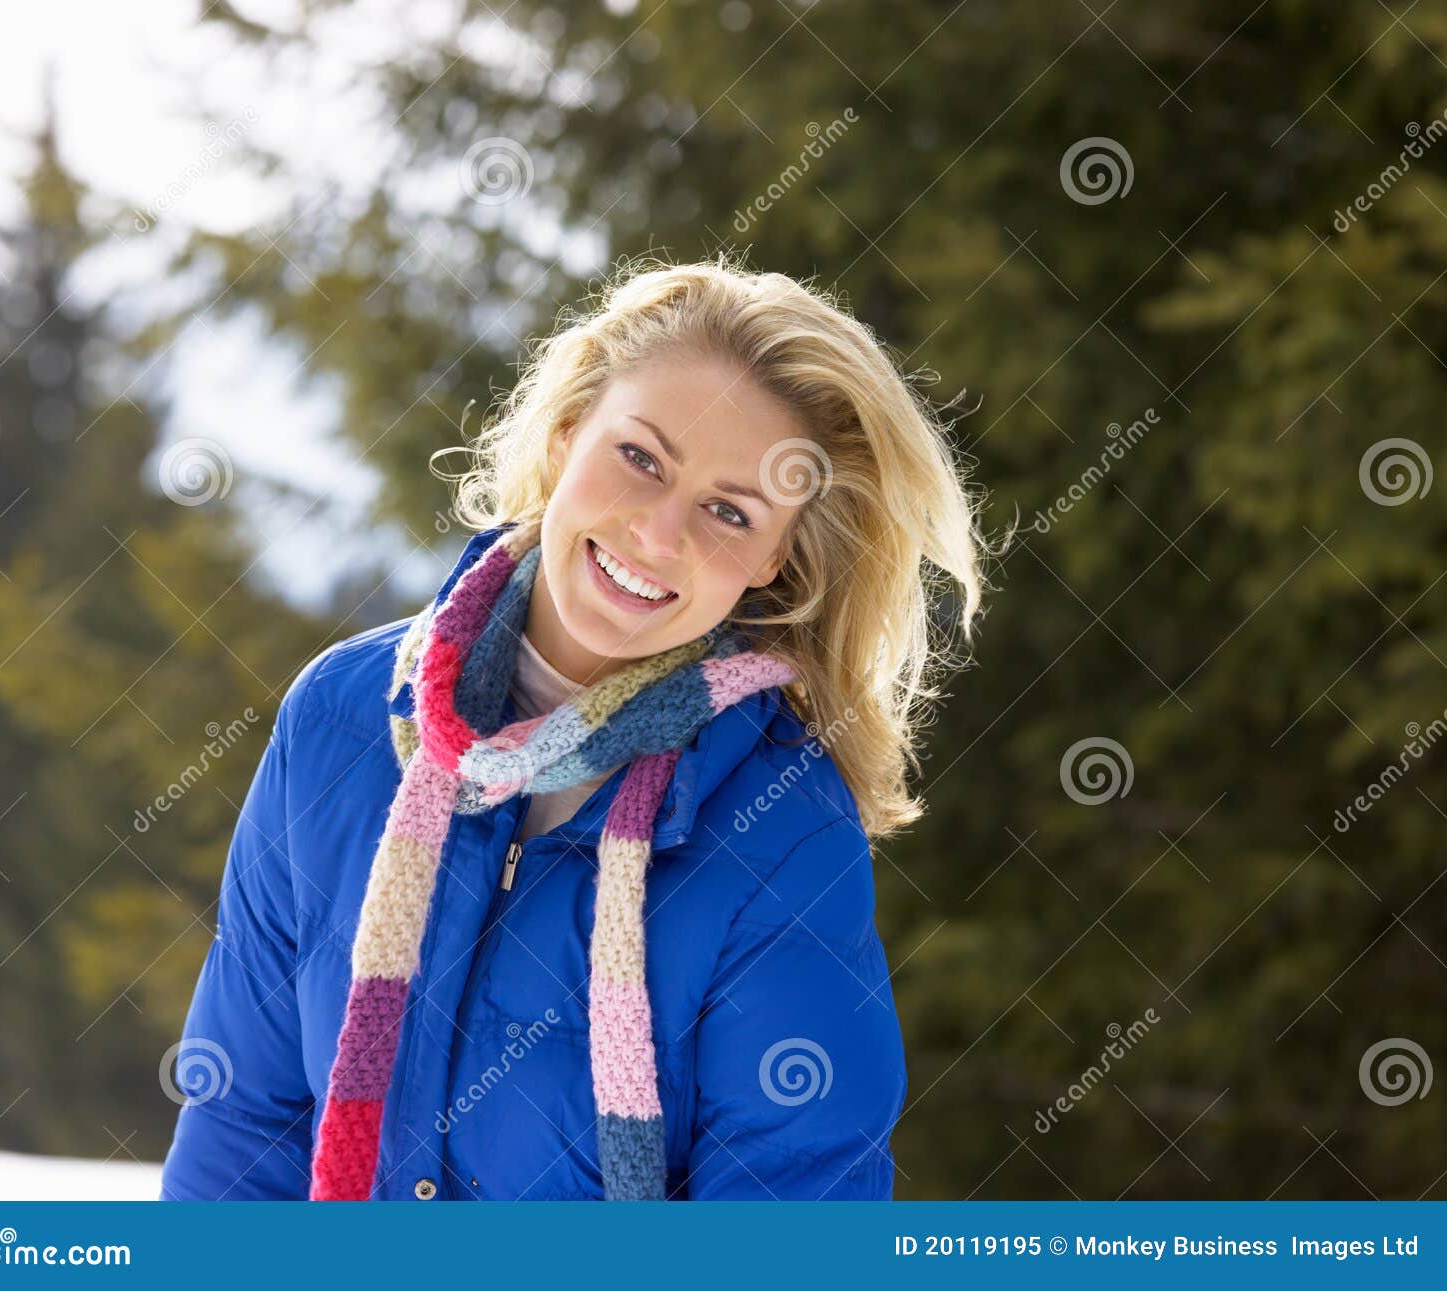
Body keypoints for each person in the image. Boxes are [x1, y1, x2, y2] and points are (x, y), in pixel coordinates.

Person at [158, 255, 991, 1201]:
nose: (659, 534)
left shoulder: (784, 827)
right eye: (640, 458)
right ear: (565, 435)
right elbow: (245, 1124)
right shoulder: (340, 717)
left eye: (729, 511)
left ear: (774, 558)